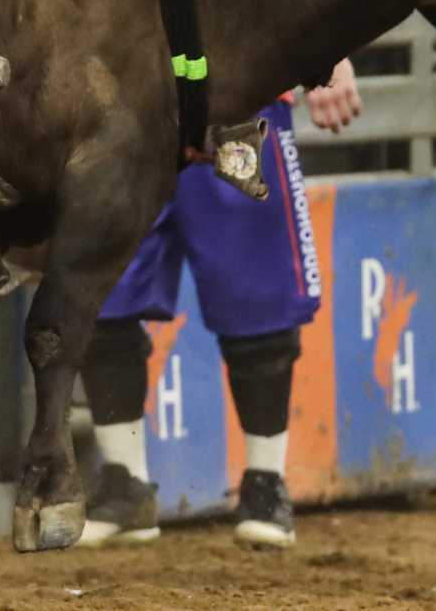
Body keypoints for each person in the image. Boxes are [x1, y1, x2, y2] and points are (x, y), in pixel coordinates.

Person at [80, 63, 363, 549]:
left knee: (257, 291)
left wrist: (329, 55)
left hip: (237, 95)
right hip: (124, 101)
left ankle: (265, 486)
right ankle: (123, 487)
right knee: (100, 288)